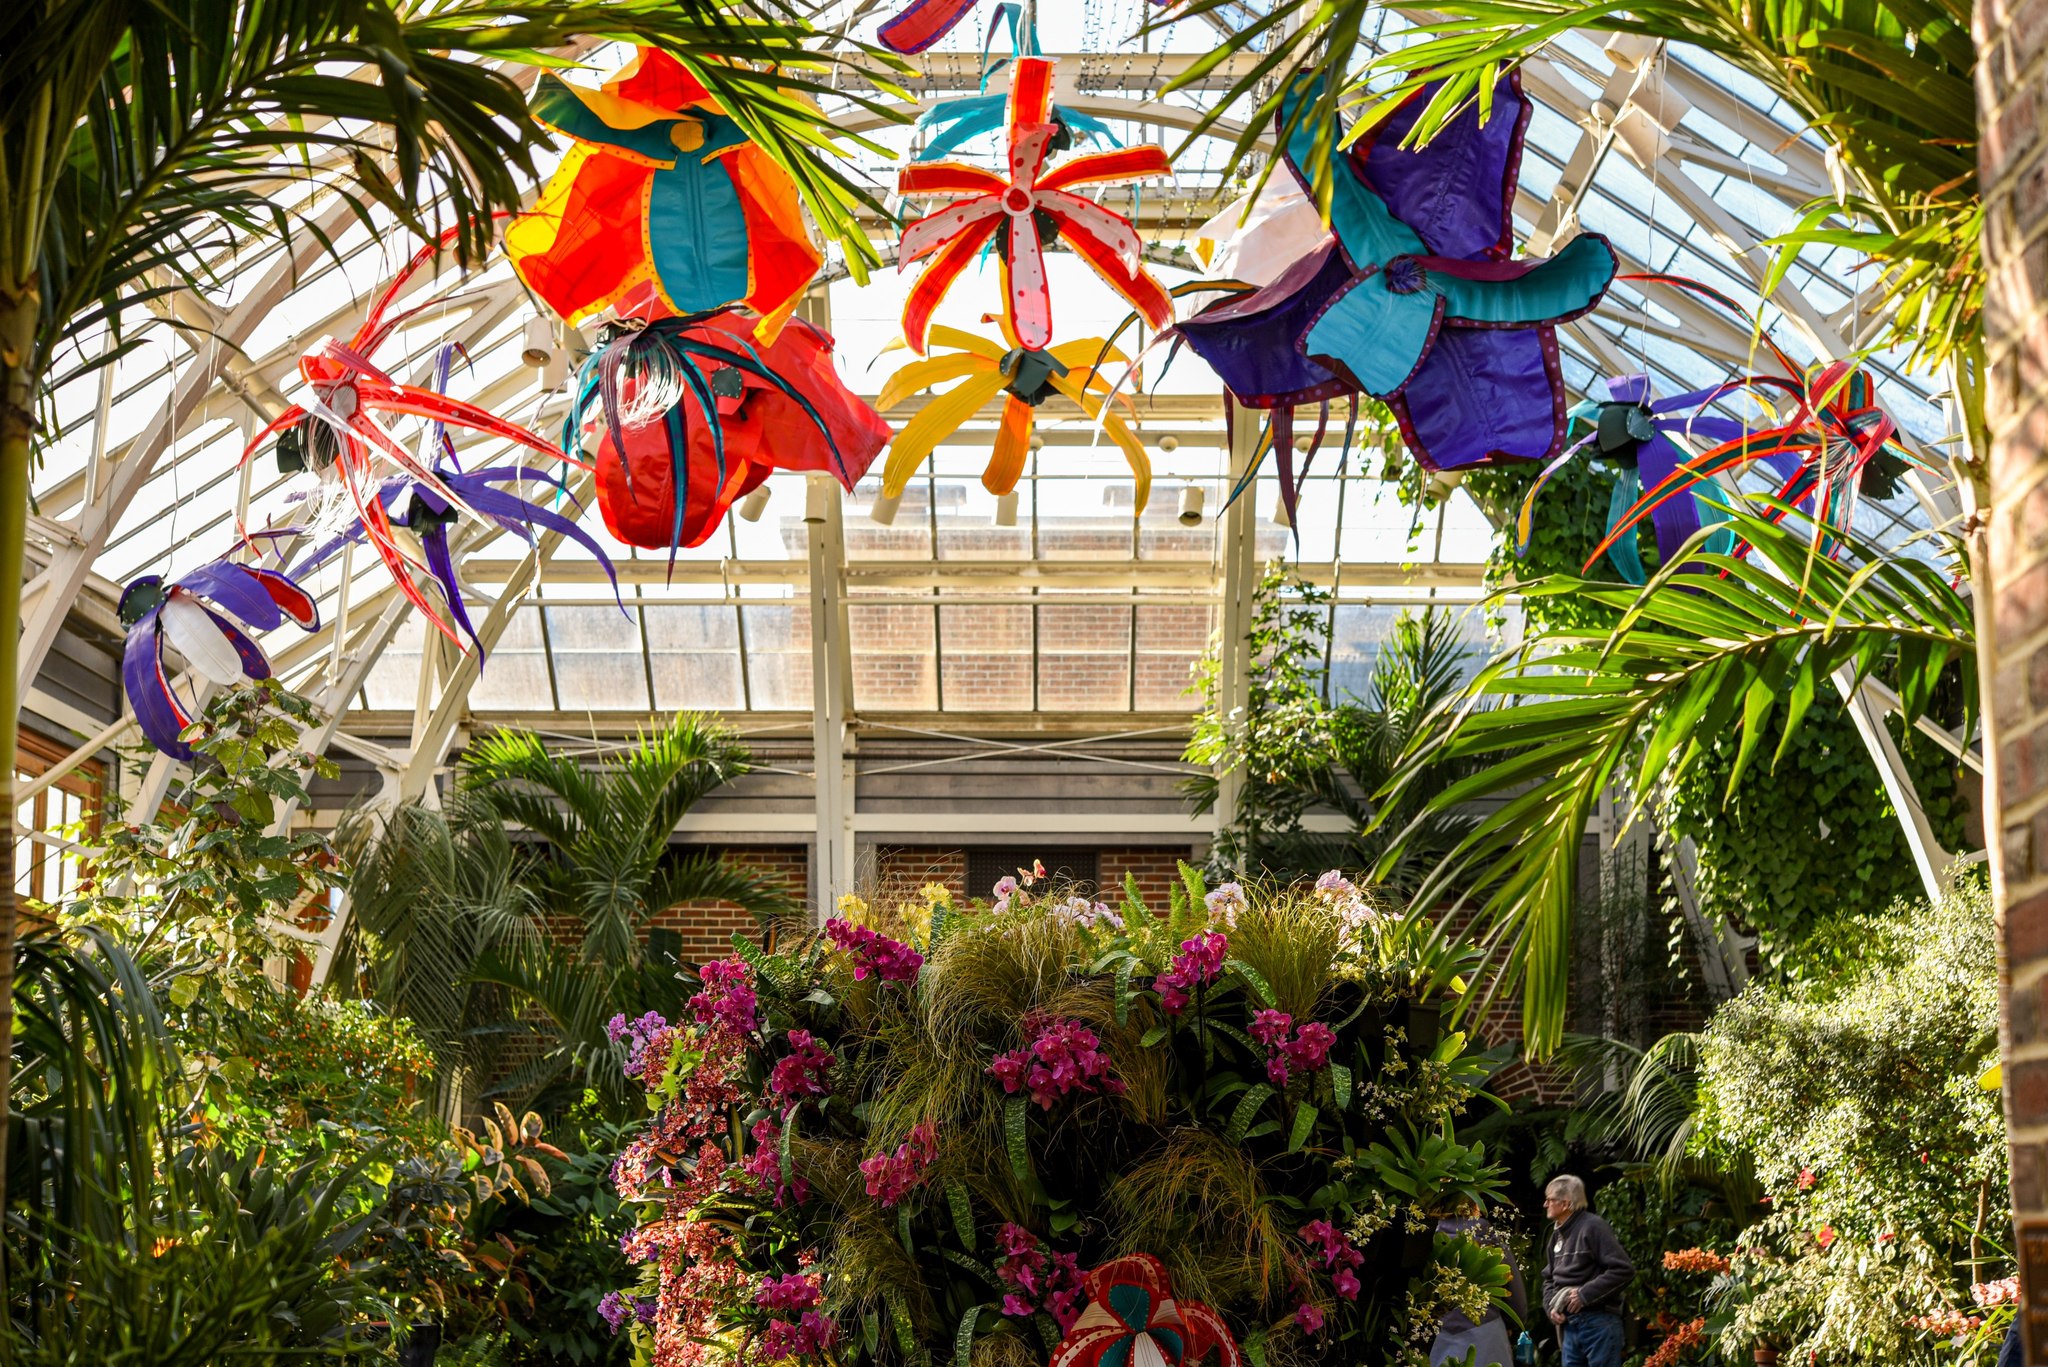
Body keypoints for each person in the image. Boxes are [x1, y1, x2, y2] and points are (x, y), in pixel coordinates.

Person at [1539, 1175, 1633, 1367]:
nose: (1545, 1204)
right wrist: (1550, 1307)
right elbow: (1548, 1278)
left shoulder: (1593, 1226)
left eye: (1550, 1199)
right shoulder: (1556, 1235)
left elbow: (1623, 1269)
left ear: (1565, 1203)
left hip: (1599, 1322)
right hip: (1569, 1324)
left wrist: (1584, 1294)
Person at [1429, 1201, 1528, 1367]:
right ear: (1475, 1207)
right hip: (1488, 1336)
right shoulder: (1493, 1243)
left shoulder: (1427, 1241)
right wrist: (1511, 1325)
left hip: (1436, 1338)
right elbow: (1518, 1304)